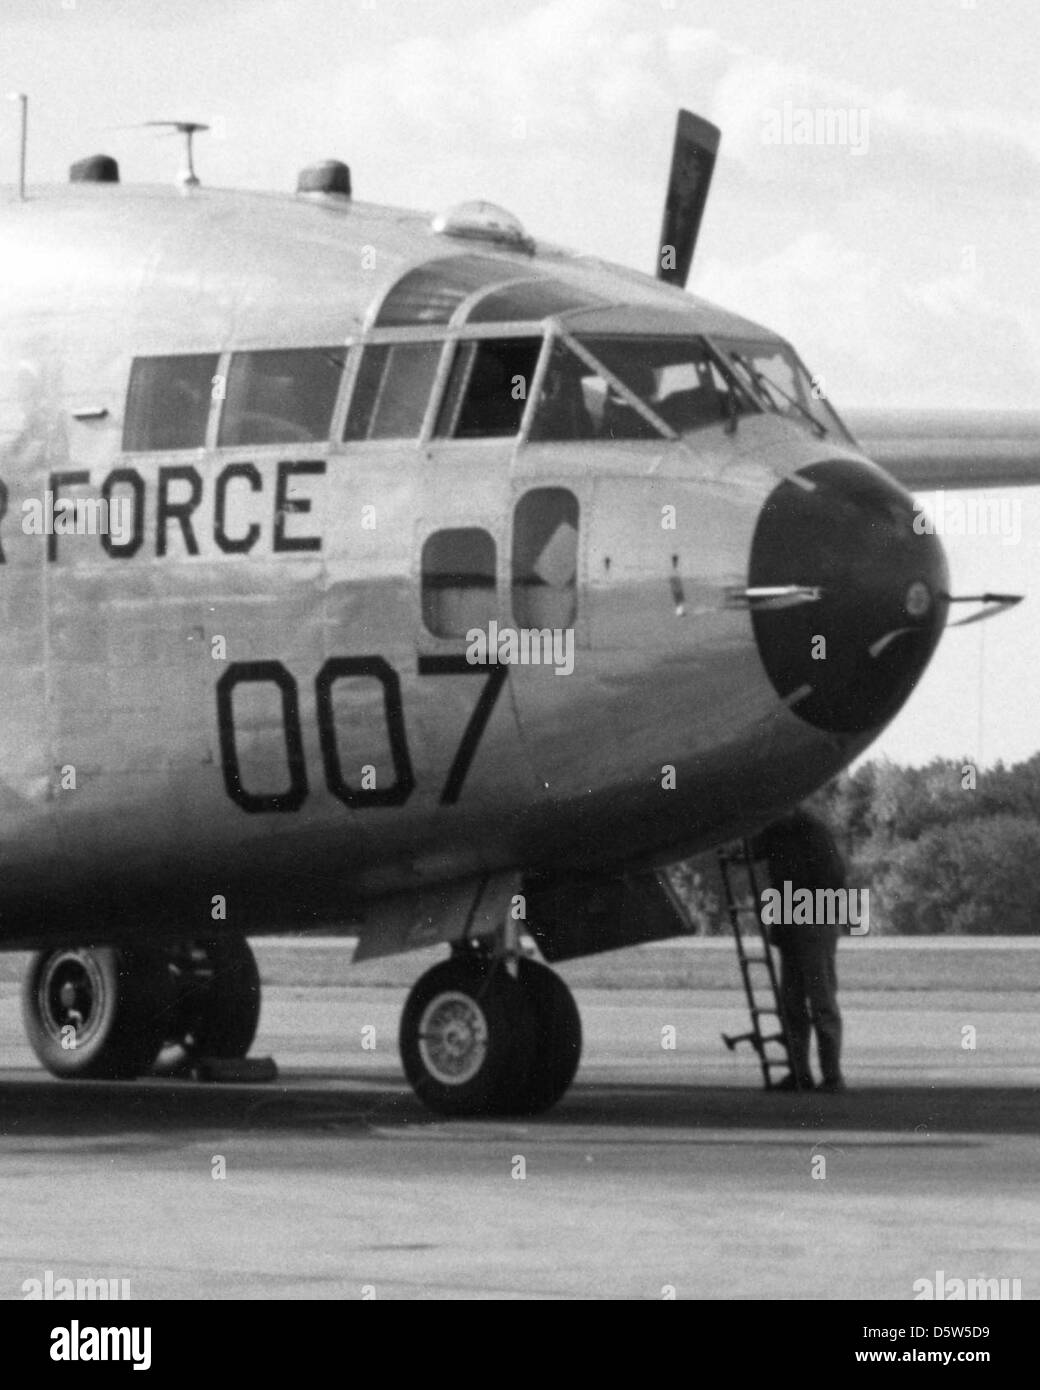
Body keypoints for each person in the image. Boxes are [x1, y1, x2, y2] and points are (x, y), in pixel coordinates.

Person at [753, 811, 846, 1093]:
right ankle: (800, 1073)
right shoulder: (778, 831)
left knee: (820, 1001)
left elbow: (832, 877)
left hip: (813, 918)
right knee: (791, 1002)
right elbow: (753, 851)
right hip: (793, 919)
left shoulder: (811, 830)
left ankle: (831, 1076)